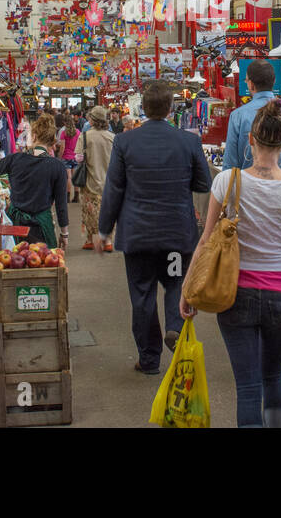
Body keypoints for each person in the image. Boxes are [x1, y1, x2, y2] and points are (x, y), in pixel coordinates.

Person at [181, 99, 281, 427]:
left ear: (250, 140)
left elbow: (207, 241)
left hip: (234, 294)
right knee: (273, 378)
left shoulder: (226, 182)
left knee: (248, 386)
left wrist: (187, 288)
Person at [97, 81, 211, 375]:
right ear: (171, 108)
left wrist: (103, 230)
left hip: (139, 237)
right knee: (174, 283)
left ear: (142, 109)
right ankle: (174, 326)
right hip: (175, 236)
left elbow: (114, 189)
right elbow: (202, 183)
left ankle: (149, 359)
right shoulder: (189, 141)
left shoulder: (125, 142)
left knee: (143, 294)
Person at [0, 114, 68, 247]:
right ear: (52, 141)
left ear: (34, 136)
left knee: (14, 260)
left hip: (14, 227)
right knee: (43, 262)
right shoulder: (58, 167)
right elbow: (61, 205)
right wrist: (64, 234)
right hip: (42, 226)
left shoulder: (15, 159)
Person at [224, 59, 281, 184]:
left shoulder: (238, 116)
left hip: (250, 195)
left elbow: (230, 165)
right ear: (274, 82)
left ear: (250, 84)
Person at [79, 106, 115, 252]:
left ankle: (89, 240)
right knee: (108, 210)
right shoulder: (113, 137)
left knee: (89, 211)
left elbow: (79, 158)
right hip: (109, 181)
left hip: (89, 180)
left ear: (92, 120)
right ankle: (108, 241)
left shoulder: (85, 136)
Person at [56, 113, 83, 200]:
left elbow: (62, 147)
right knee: (75, 177)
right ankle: (76, 196)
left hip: (66, 157)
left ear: (65, 123)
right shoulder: (78, 132)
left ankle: (67, 197)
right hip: (75, 157)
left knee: (68, 177)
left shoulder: (64, 133)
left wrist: (60, 156)